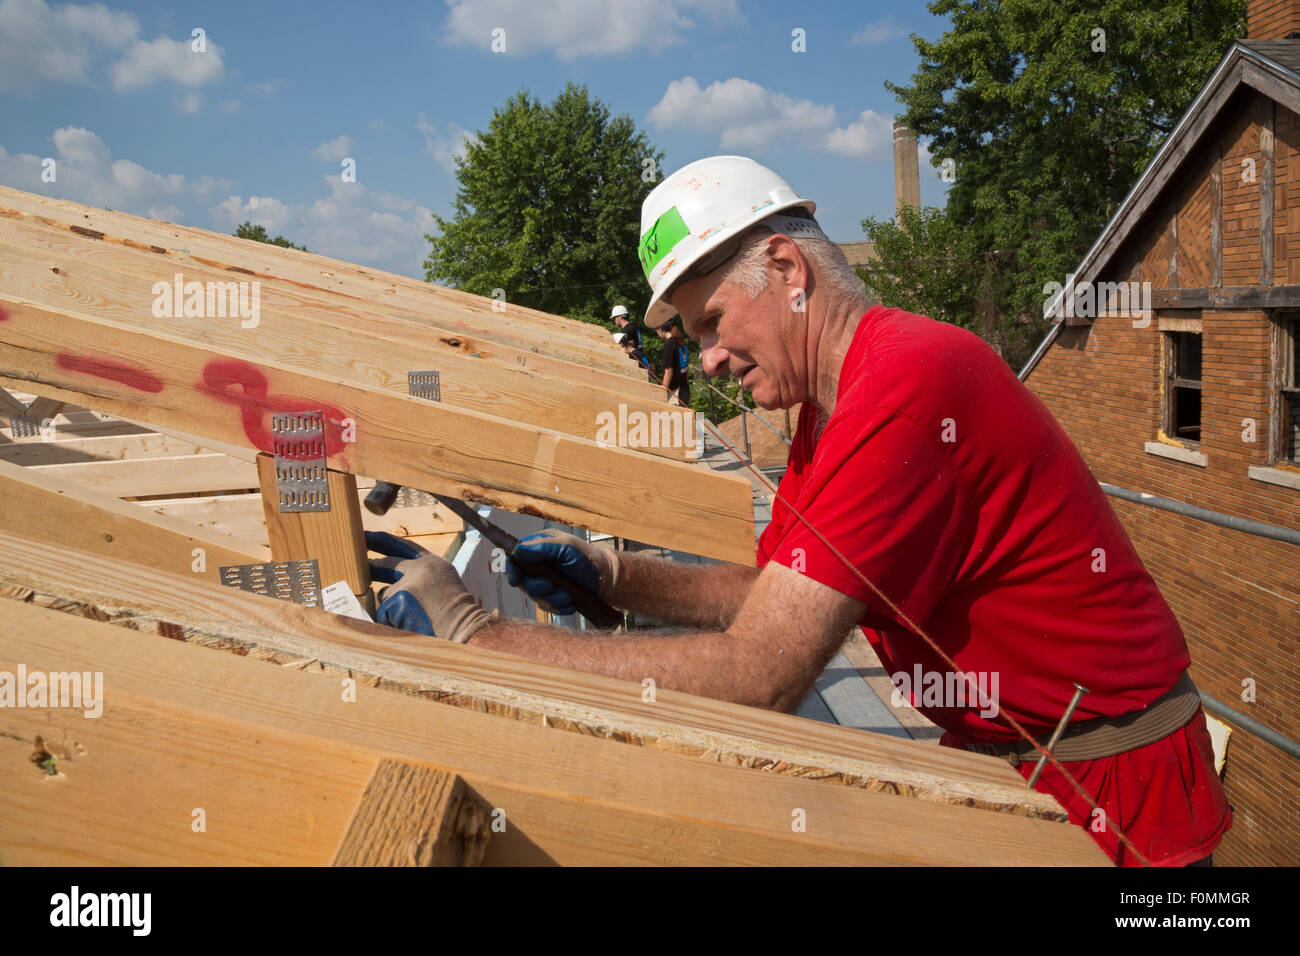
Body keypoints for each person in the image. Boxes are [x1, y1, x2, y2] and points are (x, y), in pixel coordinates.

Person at [368, 155, 1230, 867]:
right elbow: (773, 595)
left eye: (710, 322)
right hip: (1016, 763)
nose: (704, 360)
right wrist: (620, 576)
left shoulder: (911, 383)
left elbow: (763, 673)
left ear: (786, 270)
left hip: (1112, 791)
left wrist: (477, 637)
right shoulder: (831, 408)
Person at [656, 318, 691, 406]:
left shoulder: (669, 345)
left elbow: (668, 372)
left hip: (674, 394)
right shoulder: (682, 342)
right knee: (687, 417)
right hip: (684, 389)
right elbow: (686, 368)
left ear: (661, 329)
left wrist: (662, 394)